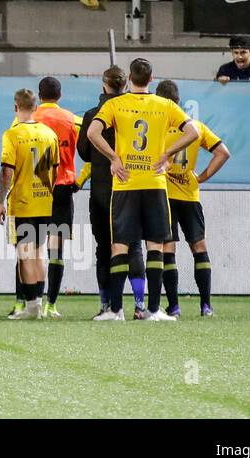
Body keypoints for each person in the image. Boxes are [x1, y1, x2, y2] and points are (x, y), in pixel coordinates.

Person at [86, 58, 201, 322]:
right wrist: (168, 153)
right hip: (155, 182)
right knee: (155, 245)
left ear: (130, 78)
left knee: (119, 246)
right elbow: (192, 131)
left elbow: (93, 133)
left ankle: (115, 310)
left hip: (126, 183)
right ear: (151, 79)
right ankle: (153, 310)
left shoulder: (116, 104)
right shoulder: (165, 105)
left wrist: (114, 158)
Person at [77, 65, 149, 318]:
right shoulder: (135, 110)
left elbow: (84, 152)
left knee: (104, 248)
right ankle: (140, 304)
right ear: (125, 83)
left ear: (103, 85)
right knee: (134, 246)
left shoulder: (92, 115)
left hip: (101, 190)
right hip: (131, 185)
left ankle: (107, 304)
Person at [155, 79, 230, 318]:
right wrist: (203, 177)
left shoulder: (156, 127)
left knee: (168, 248)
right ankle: (206, 305)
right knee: (198, 246)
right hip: (190, 194)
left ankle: (174, 306)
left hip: (163, 195)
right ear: (178, 102)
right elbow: (223, 152)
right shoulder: (195, 127)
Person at [0, 88, 60, 320]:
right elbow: (55, 169)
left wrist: (0, 201)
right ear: (36, 107)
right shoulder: (49, 134)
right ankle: (38, 305)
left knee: (24, 254)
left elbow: (6, 171)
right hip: (44, 201)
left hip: (21, 202)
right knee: (38, 252)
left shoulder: (12, 135)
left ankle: (31, 307)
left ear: (16, 107)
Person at [31, 77, 82, 318]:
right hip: (63, 186)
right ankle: (51, 304)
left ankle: (28, 302)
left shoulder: (28, 118)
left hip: (35, 188)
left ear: (39, 95)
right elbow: (91, 151)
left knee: (31, 246)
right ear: (59, 96)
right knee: (56, 248)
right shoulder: (73, 119)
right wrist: (79, 180)